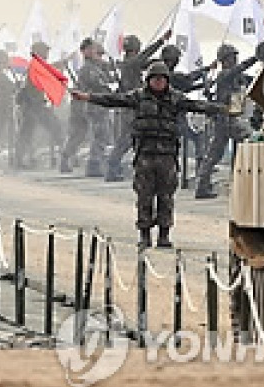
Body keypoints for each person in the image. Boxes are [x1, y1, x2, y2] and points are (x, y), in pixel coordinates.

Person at [72, 61, 225, 247]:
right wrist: (88, 97)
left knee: (166, 197)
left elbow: (198, 105)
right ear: (149, 80)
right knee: (144, 196)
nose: (159, 82)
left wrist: (222, 109)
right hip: (145, 155)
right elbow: (113, 99)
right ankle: (144, 234)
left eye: (162, 79)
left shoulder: (176, 98)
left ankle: (164, 234)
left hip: (167, 155)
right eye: (155, 79)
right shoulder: (138, 97)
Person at [194, 43, 264, 199]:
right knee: (251, 140)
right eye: (232, 57)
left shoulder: (235, 77)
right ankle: (206, 186)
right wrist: (255, 57)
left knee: (216, 154)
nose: (235, 60)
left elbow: (250, 80)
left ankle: (206, 186)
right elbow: (239, 69)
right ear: (225, 60)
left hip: (232, 117)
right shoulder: (224, 75)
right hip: (225, 119)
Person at [104, 30, 172, 181]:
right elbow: (144, 58)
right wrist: (161, 41)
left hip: (129, 106)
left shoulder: (128, 63)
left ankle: (116, 168)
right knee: (126, 140)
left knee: (129, 139)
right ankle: (112, 169)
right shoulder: (131, 62)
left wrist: (162, 60)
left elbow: (147, 63)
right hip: (130, 107)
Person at [60, 39, 116, 176]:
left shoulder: (97, 67)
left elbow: (111, 74)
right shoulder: (88, 68)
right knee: (98, 134)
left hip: (89, 104)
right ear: (84, 51)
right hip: (90, 104)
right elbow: (99, 84)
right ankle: (93, 165)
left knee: (84, 134)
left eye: (95, 50)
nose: (94, 52)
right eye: (91, 49)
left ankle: (68, 159)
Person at [13, 42, 64, 169]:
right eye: (45, 51)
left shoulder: (36, 66)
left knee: (27, 133)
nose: (47, 54)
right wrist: (57, 66)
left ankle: (19, 160)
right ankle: (66, 156)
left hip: (33, 105)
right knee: (54, 128)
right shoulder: (35, 66)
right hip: (33, 106)